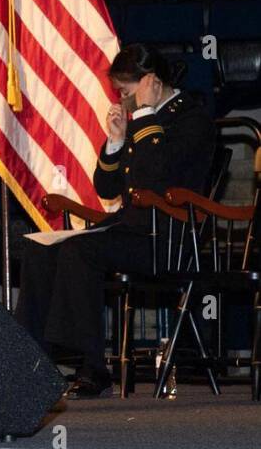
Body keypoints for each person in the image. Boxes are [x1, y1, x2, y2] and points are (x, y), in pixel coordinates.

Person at [14, 44, 215, 398]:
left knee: (80, 250)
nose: (122, 98)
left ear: (150, 81)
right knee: (39, 249)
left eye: (126, 90)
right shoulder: (142, 118)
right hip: (131, 229)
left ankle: (92, 366)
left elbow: (155, 178)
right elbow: (107, 186)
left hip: (167, 236)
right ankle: (33, 362)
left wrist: (148, 113)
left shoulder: (191, 118)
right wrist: (115, 141)